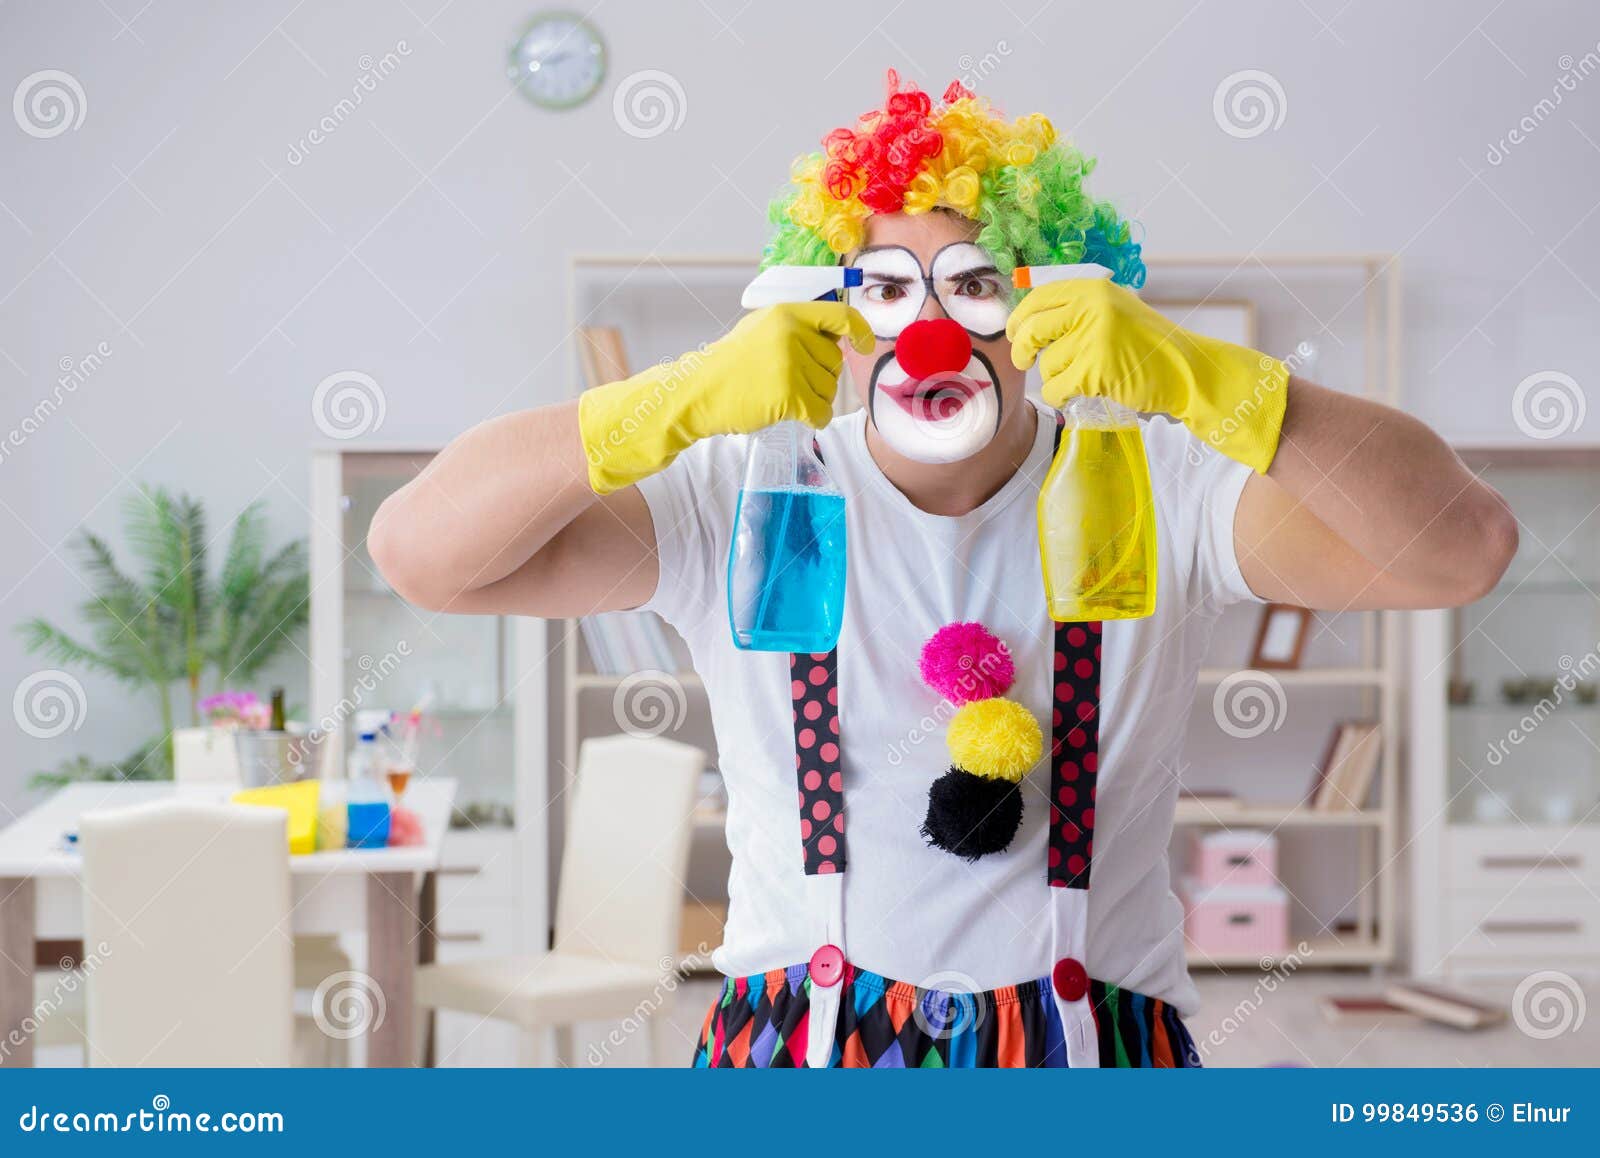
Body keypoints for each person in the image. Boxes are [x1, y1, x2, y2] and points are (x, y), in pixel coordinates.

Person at [370, 72, 1516, 1068]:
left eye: (974, 286)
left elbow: (1464, 550)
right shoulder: (738, 494)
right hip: (797, 1049)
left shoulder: (1165, 484)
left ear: (1055, 301)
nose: (930, 335)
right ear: (825, 315)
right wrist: (666, 402)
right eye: (881, 288)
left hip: (1098, 1046)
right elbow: (418, 553)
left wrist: (1218, 382)